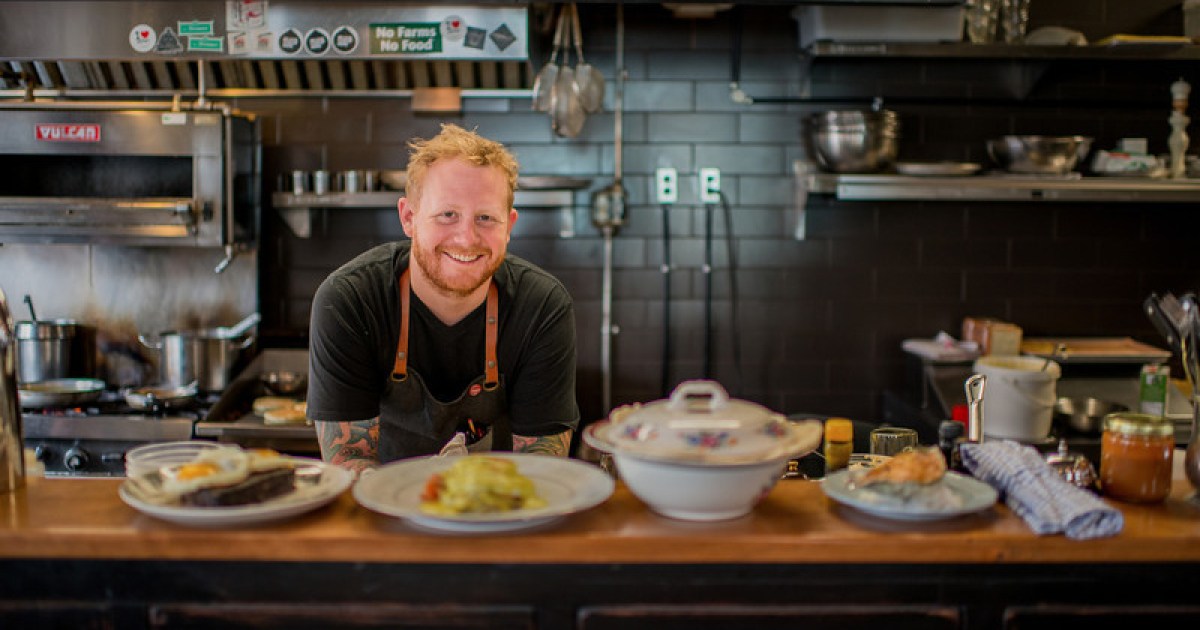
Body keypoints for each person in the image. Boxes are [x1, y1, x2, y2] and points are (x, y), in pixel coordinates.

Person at [306, 124, 579, 475]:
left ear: (509, 226)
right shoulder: (348, 301)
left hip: (499, 512)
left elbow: (544, 465)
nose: (466, 238)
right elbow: (347, 459)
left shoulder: (543, 307)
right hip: (383, 512)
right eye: (447, 215)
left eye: (485, 218)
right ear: (409, 217)